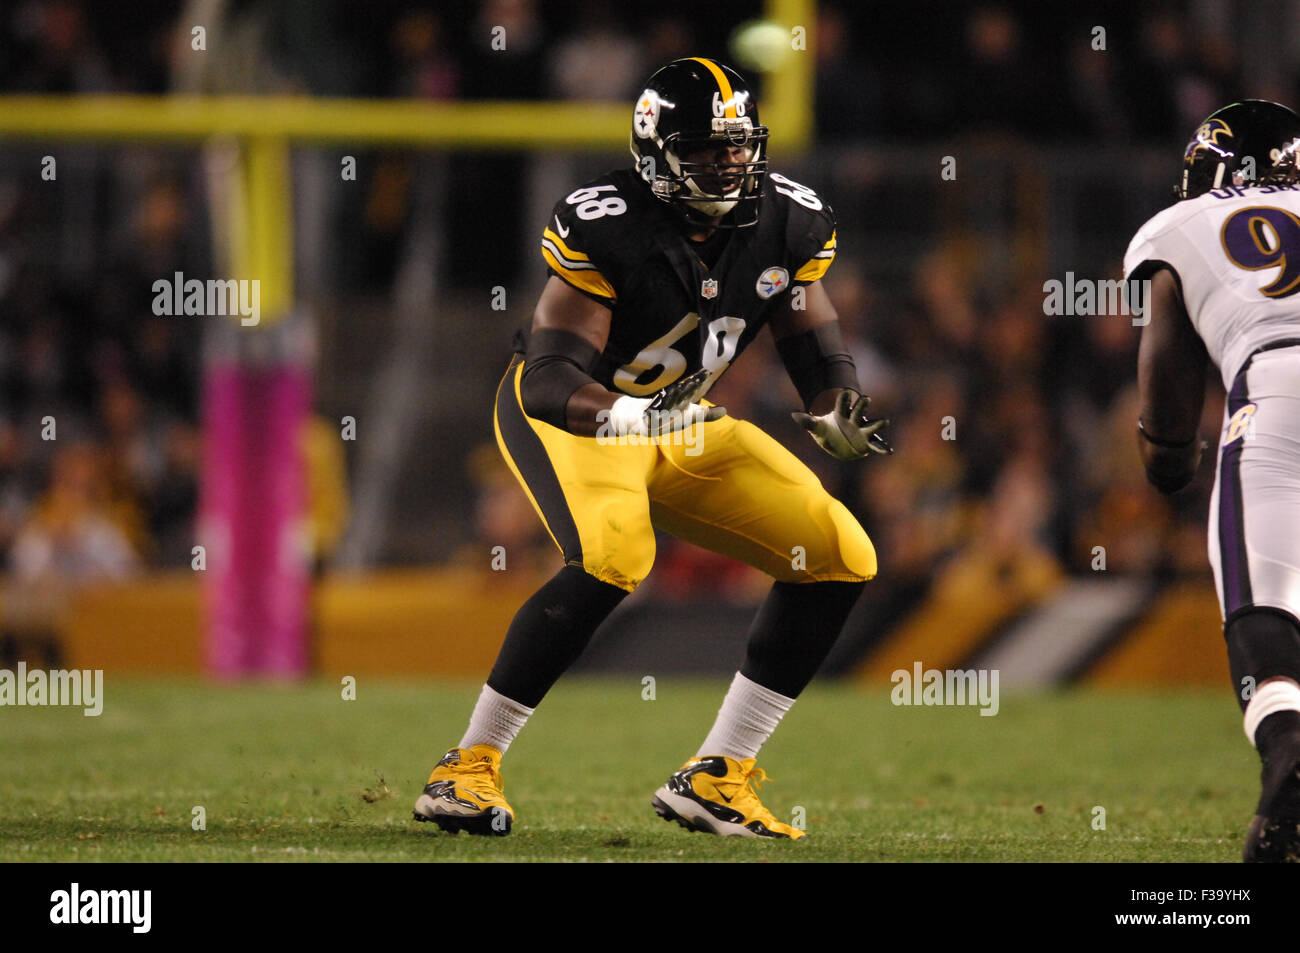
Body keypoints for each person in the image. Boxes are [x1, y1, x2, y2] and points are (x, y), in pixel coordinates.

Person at [413, 57, 890, 839]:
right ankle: (465, 767)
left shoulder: (789, 221)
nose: (729, 166)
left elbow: (815, 345)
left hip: (679, 418)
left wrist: (836, 407)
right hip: (580, 415)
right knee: (616, 554)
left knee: (839, 551)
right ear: (657, 154)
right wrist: (630, 421)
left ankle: (718, 776)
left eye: (739, 148)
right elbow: (549, 378)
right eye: (707, 151)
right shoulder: (607, 222)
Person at [1126, 100, 1300, 862]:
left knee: (1263, 608)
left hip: (1280, 387)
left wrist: (1167, 453)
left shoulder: (1180, 227)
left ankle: (1291, 748)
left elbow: (1167, 384)